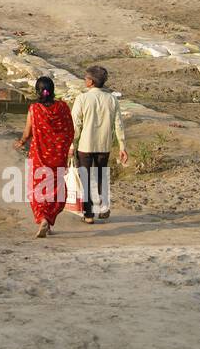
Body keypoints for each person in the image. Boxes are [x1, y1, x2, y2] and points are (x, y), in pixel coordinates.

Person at [17, 76, 76, 238]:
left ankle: (43, 218)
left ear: (38, 91)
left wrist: (21, 141)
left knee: (37, 189)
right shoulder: (63, 107)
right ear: (52, 90)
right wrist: (64, 147)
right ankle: (48, 221)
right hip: (57, 156)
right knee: (56, 189)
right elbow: (70, 131)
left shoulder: (34, 109)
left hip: (39, 156)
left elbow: (28, 132)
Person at [71, 65, 128, 224]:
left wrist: (71, 145)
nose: (84, 80)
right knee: (102, 175)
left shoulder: (82, 98)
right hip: (104, 145)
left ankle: (88, 214)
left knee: (86, 179)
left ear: (90, 82)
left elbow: (75, 124)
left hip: (85, 145)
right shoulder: (111, 99)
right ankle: (103, 207)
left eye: (86, 78)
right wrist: (122, 146)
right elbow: (119, 124)